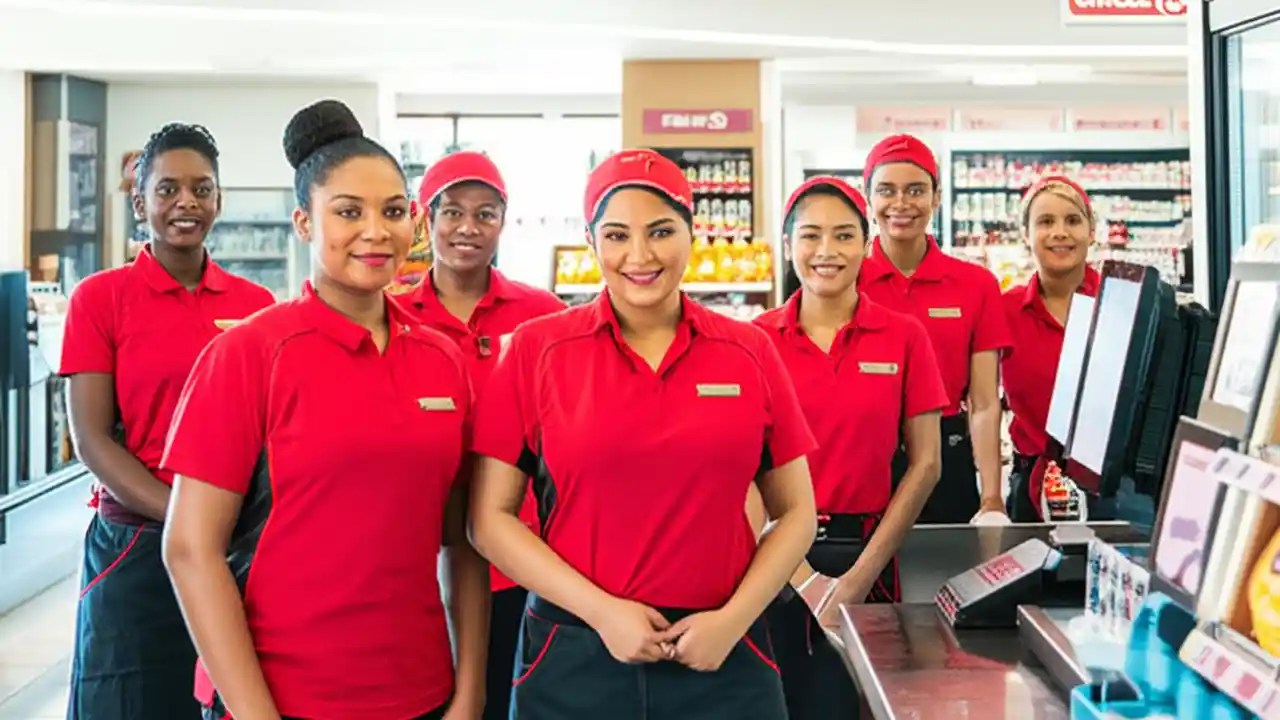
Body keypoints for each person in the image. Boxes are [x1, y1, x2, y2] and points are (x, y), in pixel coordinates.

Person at [159, 100, 488, 720]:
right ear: (304, 223)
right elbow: (189, 549)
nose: (375, 230)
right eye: (347, 212)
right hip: (283, 697)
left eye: (393, 211)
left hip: (420, 692)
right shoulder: (250, 354)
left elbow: (461, 542)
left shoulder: (444, 362)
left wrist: (468, 694)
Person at [468, 149, 817, 720]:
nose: (639, 255)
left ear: (692, 233)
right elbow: (488, 519)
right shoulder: (538, 351)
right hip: (574, 652)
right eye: (616, 234)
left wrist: (732, 621)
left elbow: (798, 511)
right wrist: (604, 613)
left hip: (722, 653)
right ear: (591, 241)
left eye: (660, 231)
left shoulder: (749, 351)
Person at [60, 123, 276, 720]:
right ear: (140, 202)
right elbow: (93, 440)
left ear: (219, 201)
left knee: (228, 697)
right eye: (168, 190)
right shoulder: (99, 299)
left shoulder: (255, 308)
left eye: (202, 189)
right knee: (127, 698)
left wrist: (228, 530)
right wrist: (185, 518)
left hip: (233, 546)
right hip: (135, 544)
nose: (187, 203)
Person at [753, 176, 946, 718]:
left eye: (843, 236)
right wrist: (800, 577)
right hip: (770, 564)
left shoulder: (904, 337)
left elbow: (926, 463)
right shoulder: (755, 341)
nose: (826, 252)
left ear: (866, 245)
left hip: (868, 556)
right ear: (788, 245)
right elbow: (738, 474)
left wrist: (857, 579)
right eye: (810, 236)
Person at [405, 150, 566, 720]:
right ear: (425, 220)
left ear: (504, 221)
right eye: (452, 212)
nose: (468, 228)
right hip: (418, 559)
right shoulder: (392, 315)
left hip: (522, 560)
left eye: (485, 214)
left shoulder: (542, 317)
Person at [858, 133, 1013, 524]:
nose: (901, 204)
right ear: (867, 199)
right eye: (886, 190)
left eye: (916, 190)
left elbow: (983, 402)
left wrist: (991, 497)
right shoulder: (846, 281)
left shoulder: (976, 285)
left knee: (947, 572)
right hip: (864, 453)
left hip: (948, 455)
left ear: (936, 197)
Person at [1001, 175, 1101, 521]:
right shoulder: (1004, 311)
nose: (1060, 232)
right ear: (1025, 234)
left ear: (1092, 231)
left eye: (1073, 220)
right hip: (1031, 490)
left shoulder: (1122, 302)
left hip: (1115, 489)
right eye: (1045, 221)